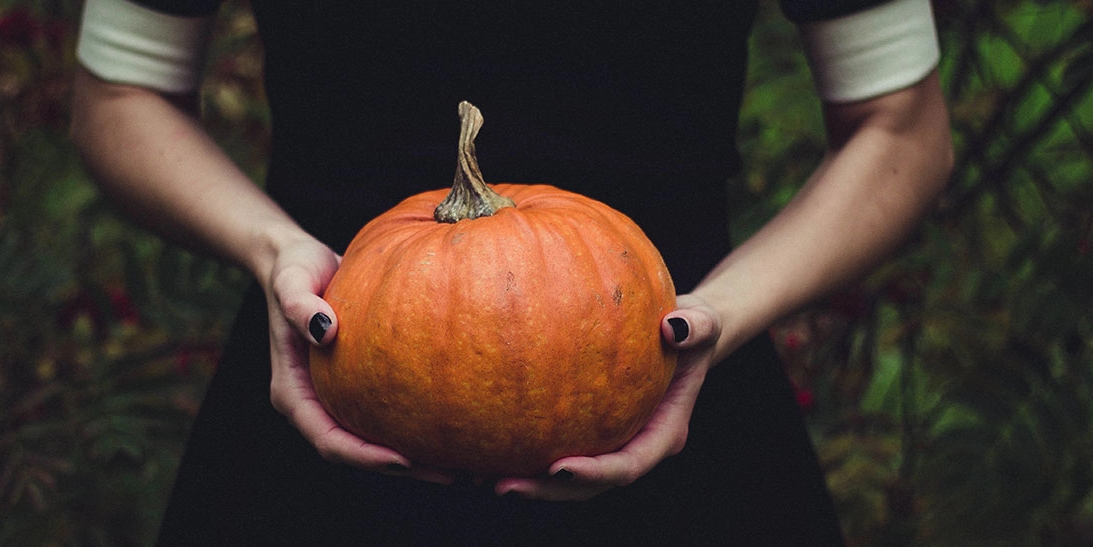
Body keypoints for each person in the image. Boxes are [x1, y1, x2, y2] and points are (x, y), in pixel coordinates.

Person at [70, 0, 953, 544]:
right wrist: (273, 251)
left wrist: (718, 313)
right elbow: (119, 95)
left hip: (670, 378)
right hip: (329, 366)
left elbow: (902, 126)